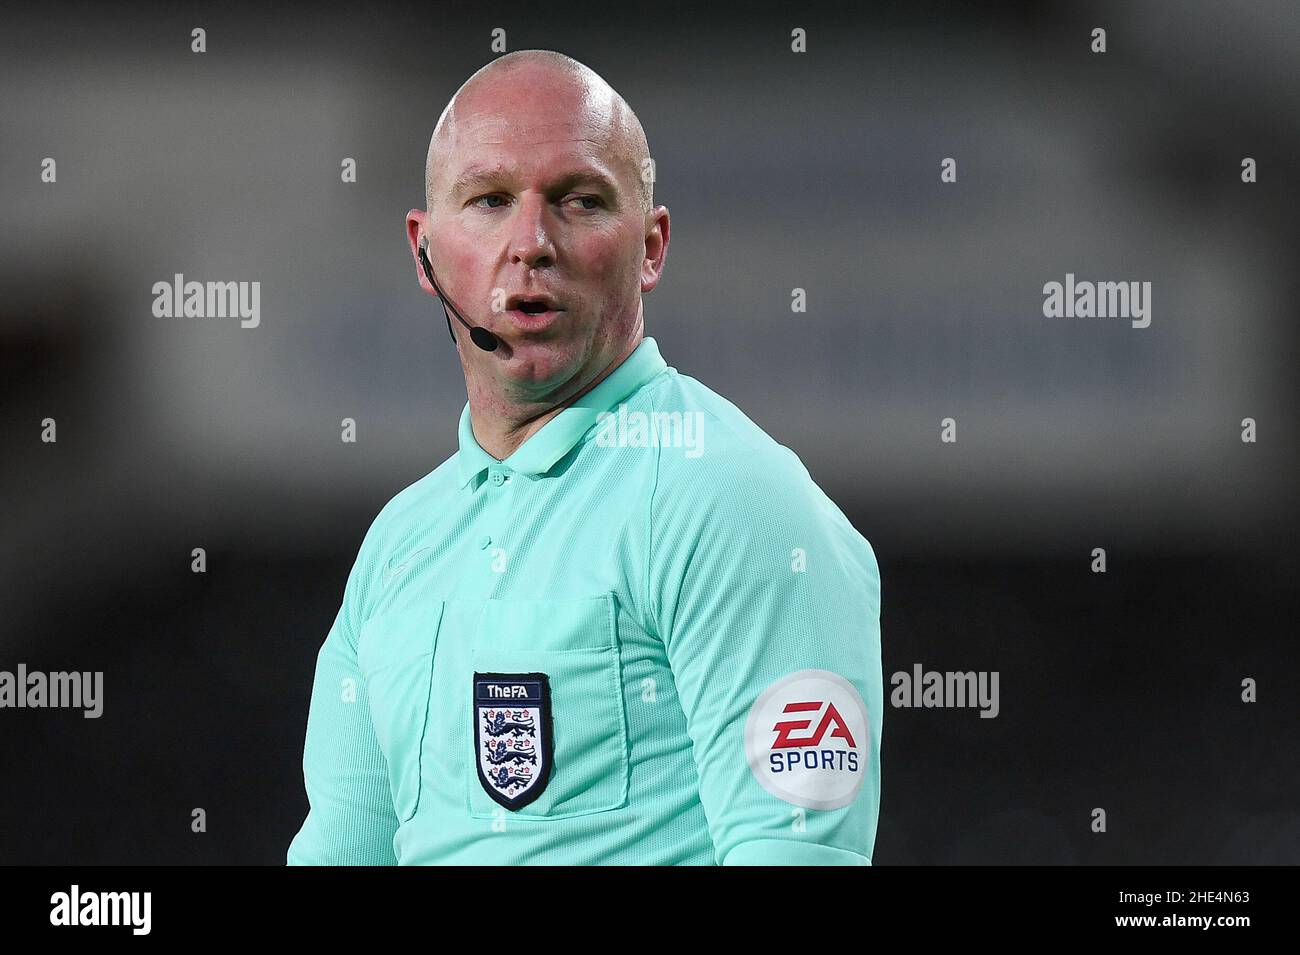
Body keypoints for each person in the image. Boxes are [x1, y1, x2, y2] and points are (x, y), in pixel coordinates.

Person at [287, 49, 883, 865]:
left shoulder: (734, 499)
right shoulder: (397, 547)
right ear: (424, 251)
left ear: (650, 245)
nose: (531, 242)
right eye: (491, 199)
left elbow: (799, 855)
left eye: (579, 200)